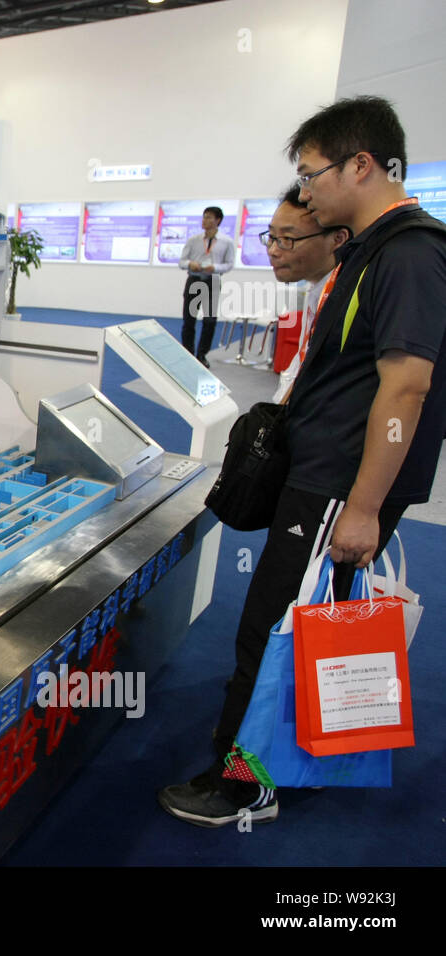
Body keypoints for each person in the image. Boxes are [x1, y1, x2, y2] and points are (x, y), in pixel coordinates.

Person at [159, 95, 446, 827]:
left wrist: (361, 506)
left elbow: (406, 387)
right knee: (316, 623)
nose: (307, 189)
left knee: (273, 624)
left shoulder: (411, 254)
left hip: (336, 486)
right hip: (326, 479)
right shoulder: (370, 249)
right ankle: (302, 757)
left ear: (361, 165)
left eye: (311, 173)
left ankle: (241, 782)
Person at [264, 186, 350, 402]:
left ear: (337, 239)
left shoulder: (345, 303)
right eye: (272, 237)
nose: (273, 250)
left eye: (287, 239)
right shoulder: (317, 290)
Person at [177, 206, 236, 367]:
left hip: (213, 281)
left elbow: (229, 264)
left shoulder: (227, 242)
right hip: (194, 280)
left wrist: (215, 268)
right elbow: (181, 261)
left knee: (209, 321)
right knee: (189, 320)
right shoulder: (193, 240)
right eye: (204, 217)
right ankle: (188, 353)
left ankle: (202, 355)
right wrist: (190, 263)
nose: (205, 220)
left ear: (218, 220)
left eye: (209, 217)